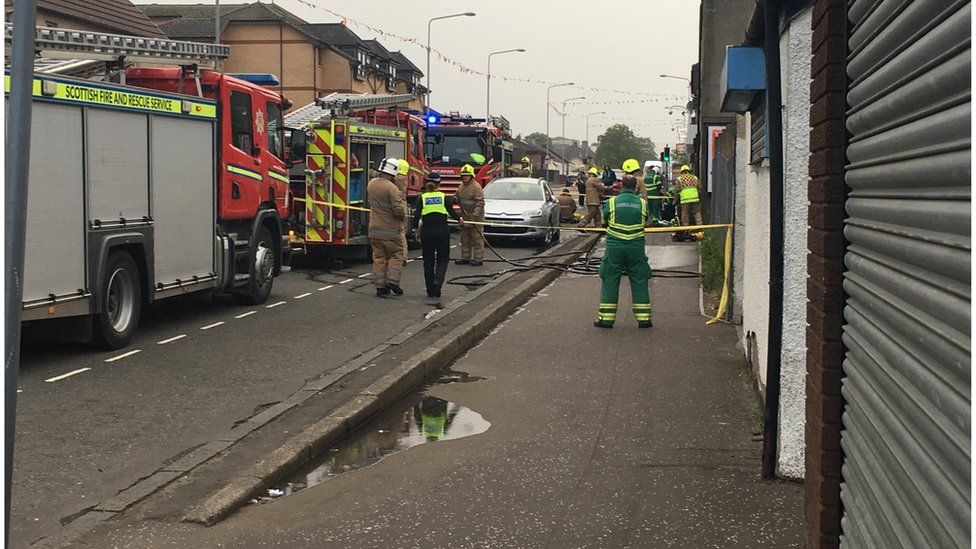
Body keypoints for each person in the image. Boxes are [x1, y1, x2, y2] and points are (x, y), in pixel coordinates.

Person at [594, 175, 652, 329]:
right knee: (640, 279)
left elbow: (604, 222)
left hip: (615, 248)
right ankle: (644, 319)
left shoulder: (611, 202)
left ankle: (606, 320)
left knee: (610, 278)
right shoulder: (643, 204)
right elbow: (647, 222)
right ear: (635, 186)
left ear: (621, 186)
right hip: (636, 248)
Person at [415, 172, 463, 298]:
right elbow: (452, 212)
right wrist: (460, 220)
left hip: (427, 231)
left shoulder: (422, 198)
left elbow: (416, 217)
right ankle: (438, 283)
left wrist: (416, 231)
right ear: (439, 184)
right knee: (442, 259)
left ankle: (430, 290)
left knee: (428, 261)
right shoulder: (444, 197)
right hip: (442, 231)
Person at [366, 158, 408, 297]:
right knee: (396, 255)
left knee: (379, 257)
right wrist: (404, 217)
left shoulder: (371, 184)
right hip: (391, 230)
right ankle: (393, 282)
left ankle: (380, 286)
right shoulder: (392, 188)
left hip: (374, 229)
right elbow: (398, 210)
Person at [454, 164, 485, 266]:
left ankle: (478, 259)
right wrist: (454, 199)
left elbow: (480, 203)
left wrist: (475, 215)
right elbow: (457, 197)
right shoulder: (461, 187)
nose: (465, 177)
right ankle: (465, 258)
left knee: (477, 239)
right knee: (465, 238)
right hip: (465, 216)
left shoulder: (476, 187)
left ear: (471, 176)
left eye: (467, 175)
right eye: (463, 176)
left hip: (475, 217)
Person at [677, 164, 703, 240]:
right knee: (697, 212)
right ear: (689, 171)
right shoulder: (694, 178)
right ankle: (700, 227)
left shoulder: (679, 179)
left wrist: (675, 200)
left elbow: (677, 190)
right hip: (695, 199)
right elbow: (699, 188)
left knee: (685, 214)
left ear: (681, 172)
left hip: (685, 200)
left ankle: (686, 229)